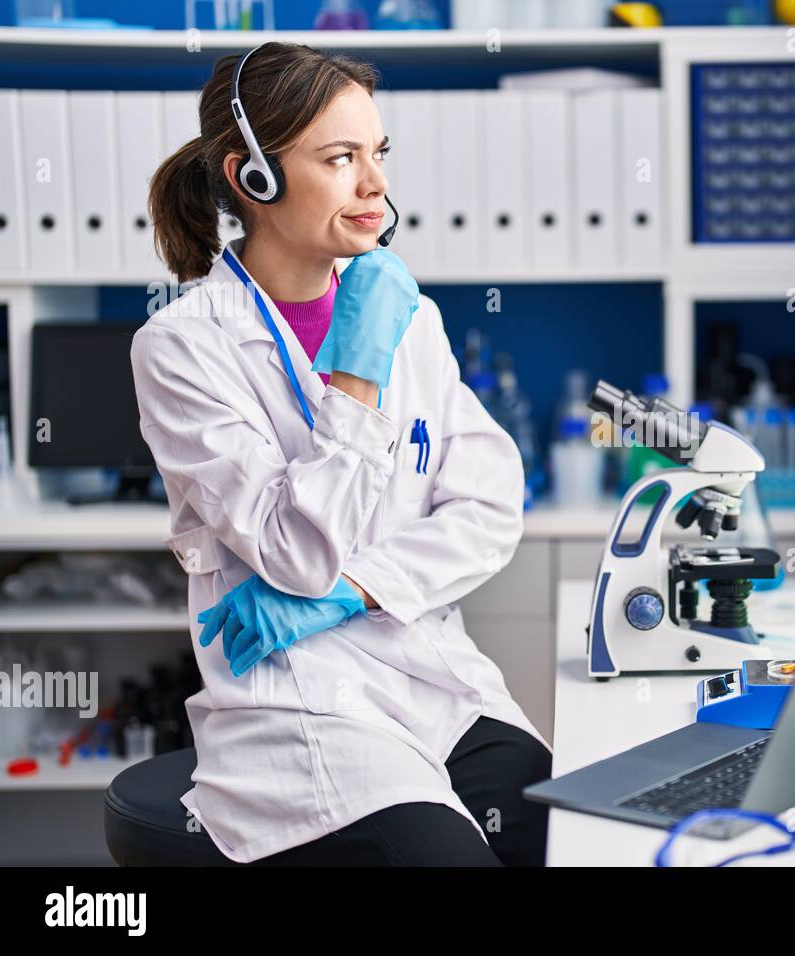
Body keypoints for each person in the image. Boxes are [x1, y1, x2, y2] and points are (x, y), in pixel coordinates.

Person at [133, 41, 551, 866]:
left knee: (552, 827)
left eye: (379, 153)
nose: (376, 184)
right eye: (341, 158)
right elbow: (295, 548)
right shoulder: (183, 348)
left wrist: (354, 590)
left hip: (432, 685)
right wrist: (356, 376)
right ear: (253, 176)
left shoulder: (409, 318)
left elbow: (493, 505)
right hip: (300, 709)